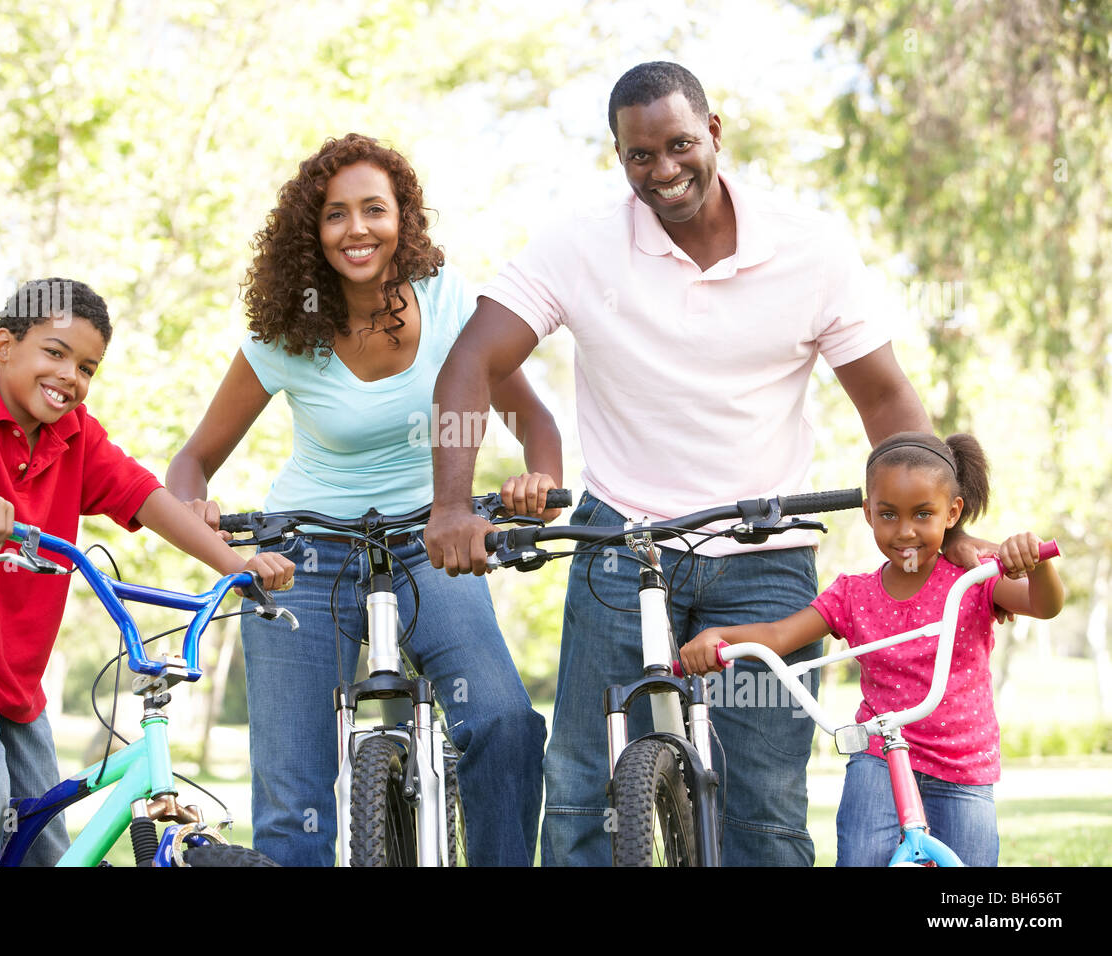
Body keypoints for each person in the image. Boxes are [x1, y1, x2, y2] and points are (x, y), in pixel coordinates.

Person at [423, 61, 994, 866]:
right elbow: (471, 359)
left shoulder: (809, 249)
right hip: (621, 546)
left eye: (680, 144)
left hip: (767, 553)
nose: (663, 170)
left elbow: (888, 403)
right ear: (619, 158)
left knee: (764, 805)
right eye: (639, 156)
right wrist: (451, 506)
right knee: (584, 785)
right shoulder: (579, 244)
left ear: (714, 133)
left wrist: (948, 524)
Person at [166, 133, 561, 866]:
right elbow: (193, 459)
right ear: (311, 234)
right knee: (293, 800)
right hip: (304, 555)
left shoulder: (447, 304)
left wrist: (539, 478)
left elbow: (535, 420)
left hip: (431, 541)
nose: (357, 229)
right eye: (336, 215)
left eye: (374, 210)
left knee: (504, 721)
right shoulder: (285, 333)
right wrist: (192, 505)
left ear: (401, 218)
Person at [0, 278, 293, 867]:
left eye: (88, 367)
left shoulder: (77, 437)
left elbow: (148, 497)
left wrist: (238, 564)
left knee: (44, 834)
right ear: (4, 345)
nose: (71, 376)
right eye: (55, 353)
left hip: (16, 681)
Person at [680, 432, 1064, 865]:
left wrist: (1038, 564)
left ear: (952, 512)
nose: (905, 532)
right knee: (861, 855)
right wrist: (719, 638)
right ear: (868, 514)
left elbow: (1043, 605)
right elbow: (779, 635)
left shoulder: (971, 580)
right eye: (888, 514)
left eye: (923, 514)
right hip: (878, 757)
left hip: (962, 768)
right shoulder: (852, 594)